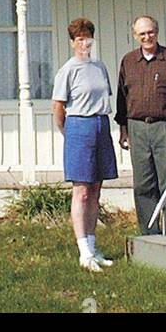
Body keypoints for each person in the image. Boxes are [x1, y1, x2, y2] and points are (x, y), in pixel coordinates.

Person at [116, 15, 166, 235]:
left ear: (157, 32)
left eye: (150, 32)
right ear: (135, 36)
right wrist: (123, 129)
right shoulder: (128, 61)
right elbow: (122, 99)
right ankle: (149, 234)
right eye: (142, 34)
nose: (147, 37)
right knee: (143, 184)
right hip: (137, 128)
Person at [51, 16, 118, 271]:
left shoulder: (100, 67)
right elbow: (57, 108)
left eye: (87, 39)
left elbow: (105, 97)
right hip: (78, 126)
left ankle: (92, 246)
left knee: (96, 189)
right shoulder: (67, 70)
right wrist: (68, 132)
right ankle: (83, 252)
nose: (84, 44)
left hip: (101, 125)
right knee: (81, 191)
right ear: (72, 42)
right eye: (79, 40)